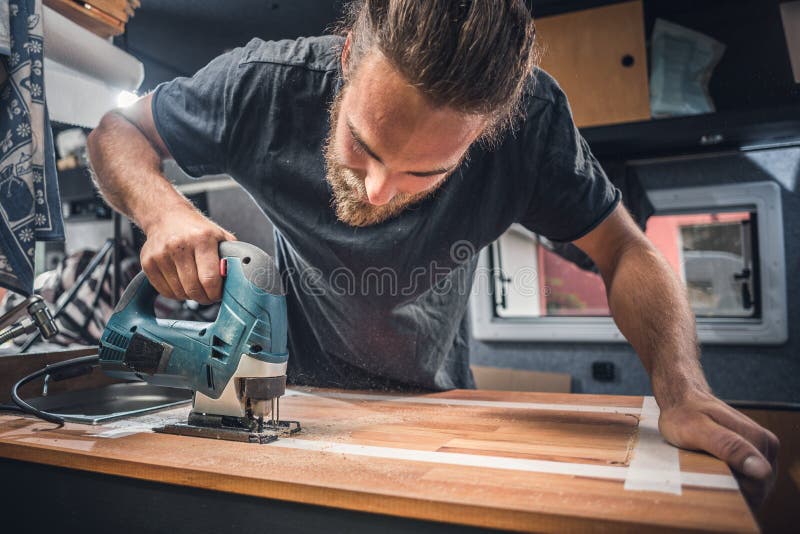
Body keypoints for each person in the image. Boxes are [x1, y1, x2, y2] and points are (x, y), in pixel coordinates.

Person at [87, 0, 777, 505]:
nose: (382, 189)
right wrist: (163, 211)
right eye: (364, 144)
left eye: (426, 172)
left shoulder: (532, 125)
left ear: (491, 130)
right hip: (291, 401)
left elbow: (626, 250)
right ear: (349, 55)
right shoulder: (261, 85)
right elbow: (116, 130)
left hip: (439, 399)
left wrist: (680, 389)